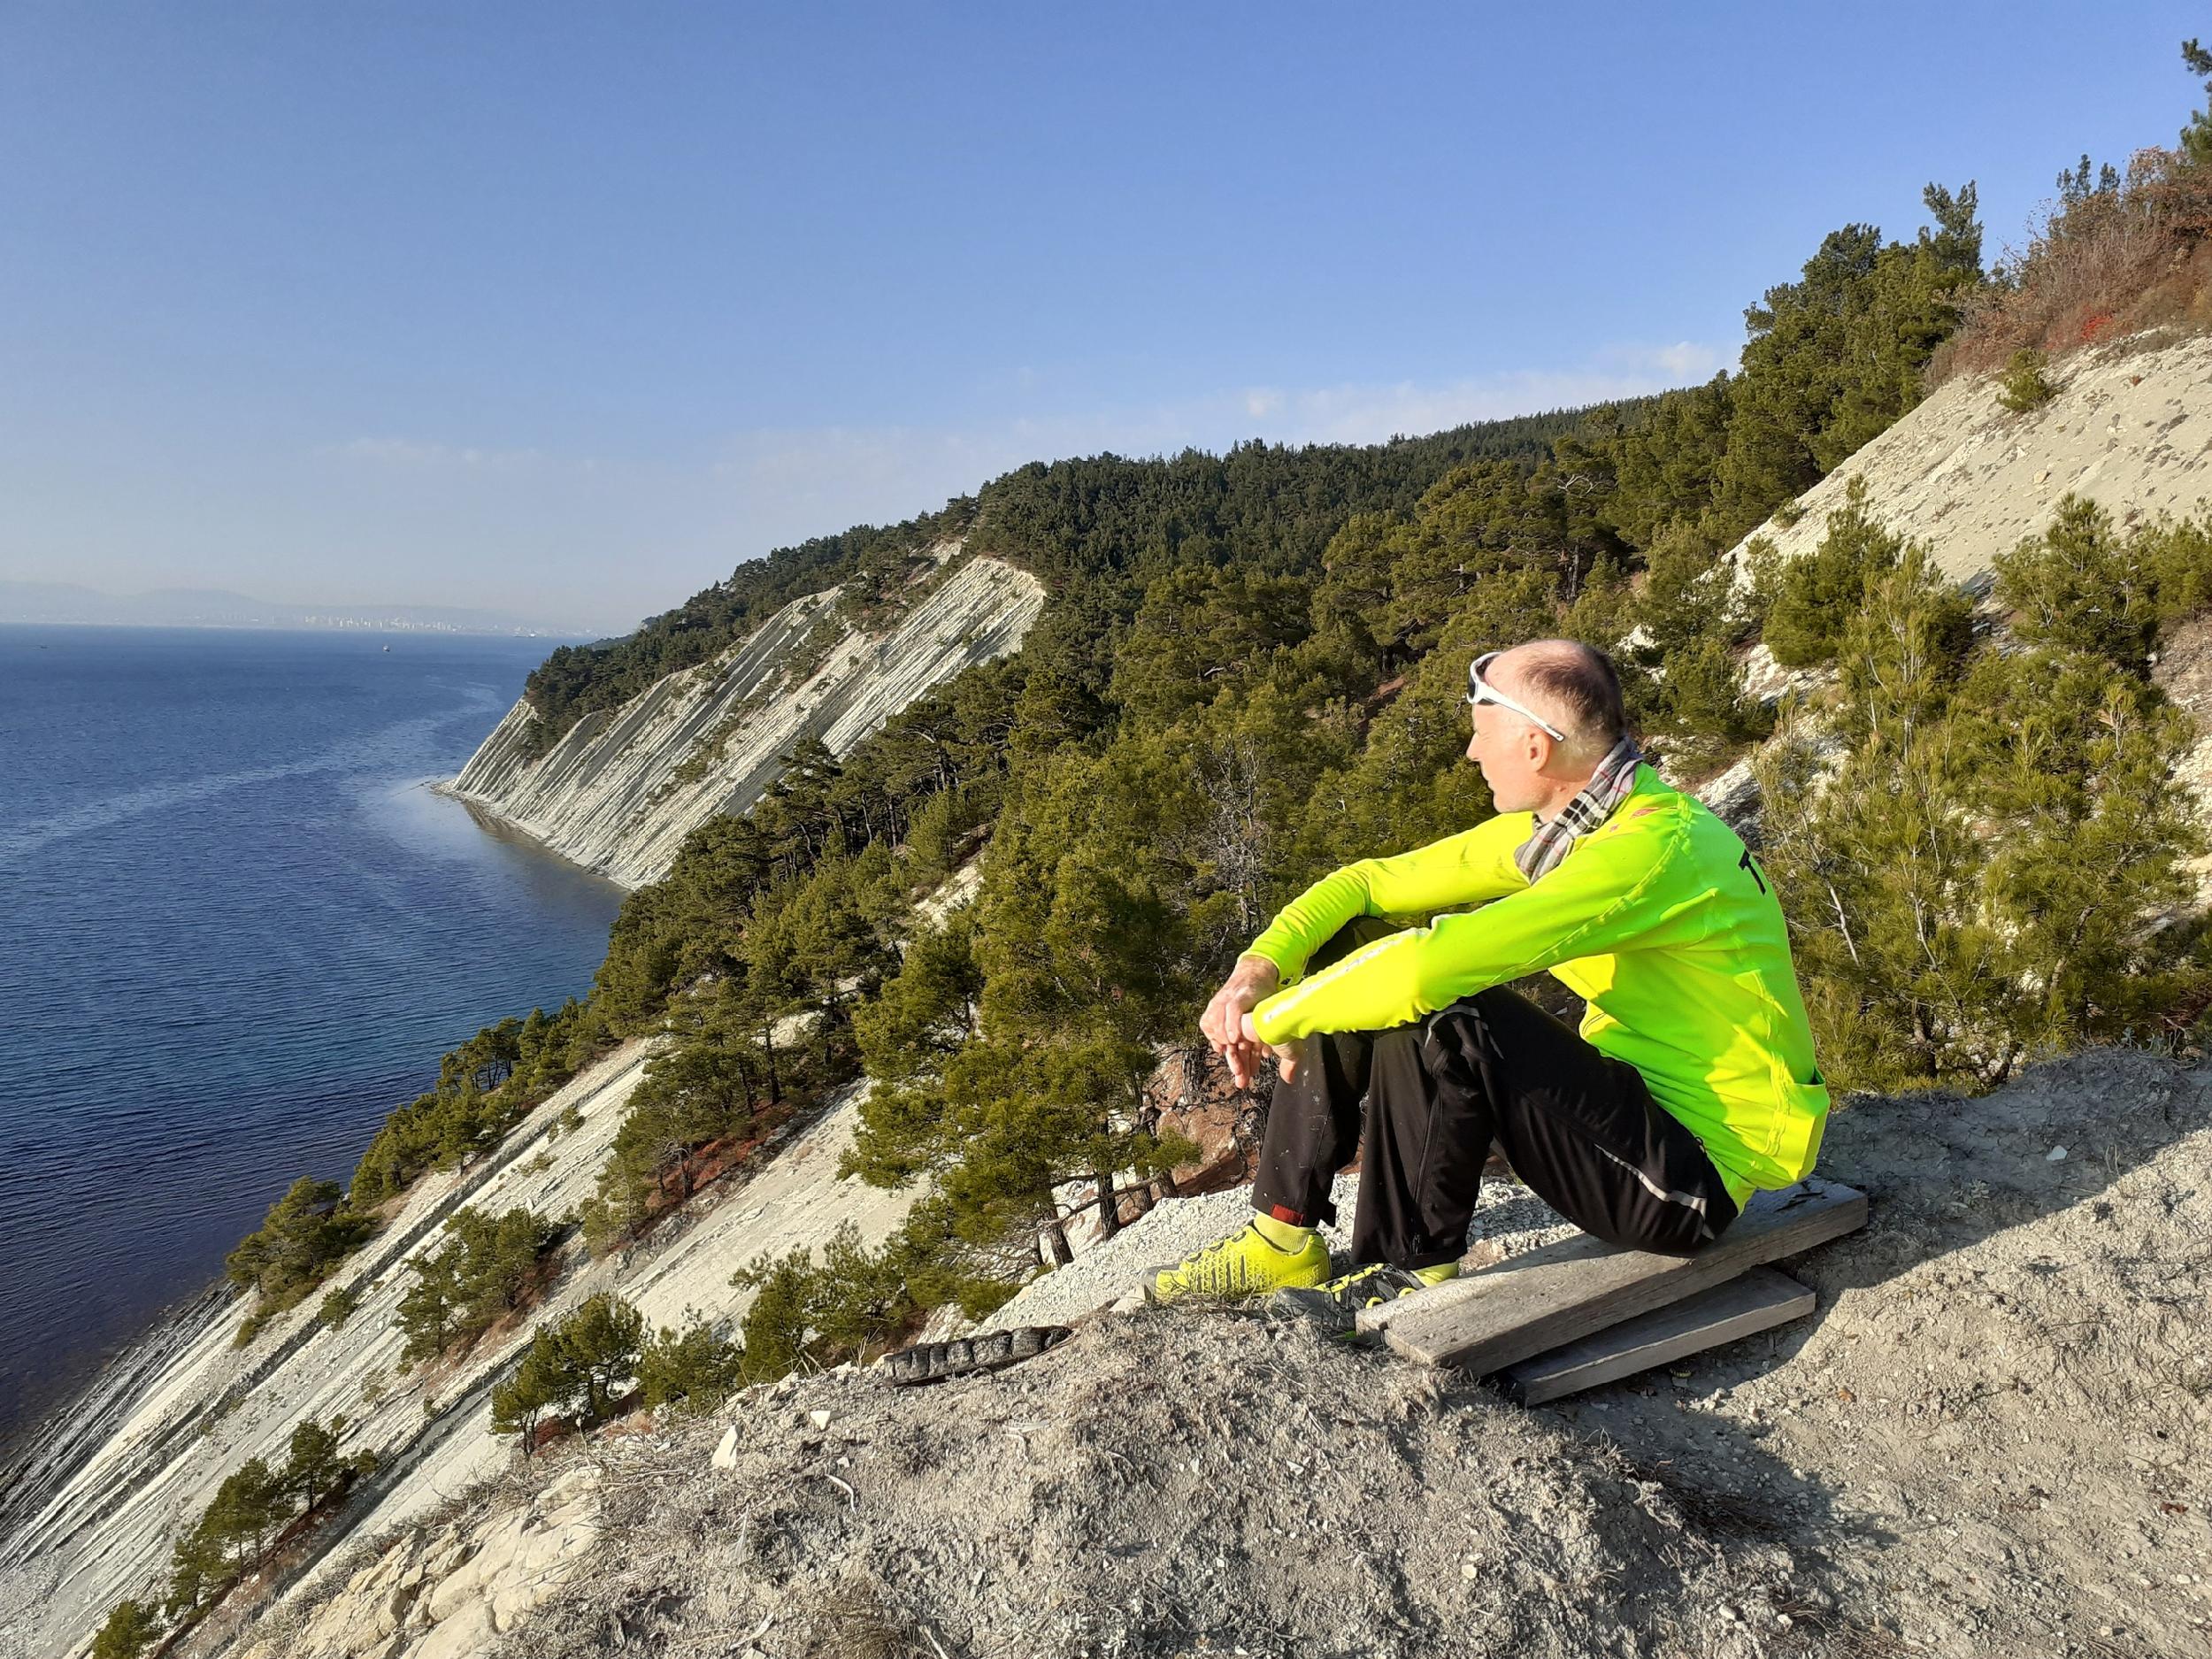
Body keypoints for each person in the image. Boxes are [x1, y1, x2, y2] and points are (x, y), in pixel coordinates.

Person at [1148, 639, 1831, 1315]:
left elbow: (1425, 966)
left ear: (1536, 747)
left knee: (1454, 1011)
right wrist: (1256, 973)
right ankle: (1281, 1240)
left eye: (1481, 733)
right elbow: (1365, 885)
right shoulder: (1579, 826)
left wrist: (1270, 1023)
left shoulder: (1649, 854)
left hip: (1689, 1178)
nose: (1471, 753)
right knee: (1350, 946)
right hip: (1631, 1103)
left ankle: (1407, 1268)